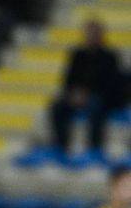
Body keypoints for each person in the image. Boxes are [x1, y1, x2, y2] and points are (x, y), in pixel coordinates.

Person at [50, 20, 124, 159]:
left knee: (96, 107)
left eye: (95, 33)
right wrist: (73, 94)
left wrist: (88, 95)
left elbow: (112, 84)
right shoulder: (77, 55)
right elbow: (68, 79)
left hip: (101, 97)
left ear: (101, 35)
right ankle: (61, 146)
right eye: (89, 33)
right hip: (76, 96)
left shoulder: (110, 56)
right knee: (57, 107)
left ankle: (94, 148)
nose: (91, 37)